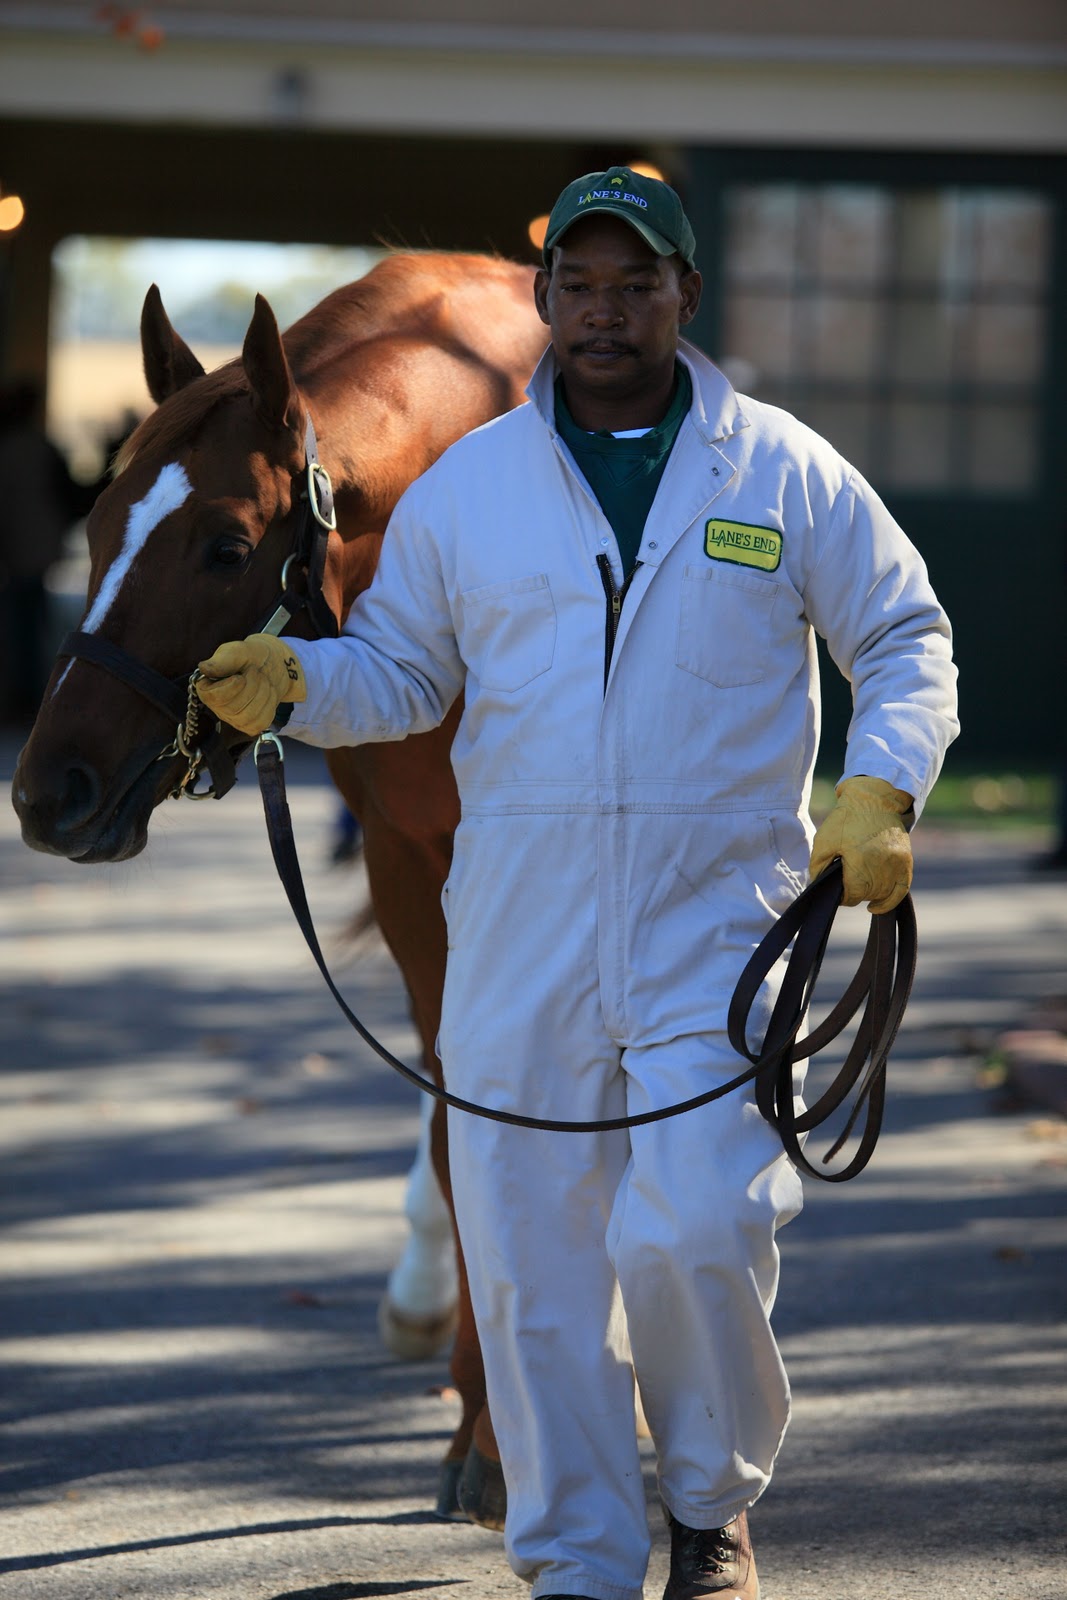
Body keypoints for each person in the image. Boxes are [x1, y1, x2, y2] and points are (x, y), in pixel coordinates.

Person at [195, 167, 959, 1600]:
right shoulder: (474, 489)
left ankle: (708, 1506)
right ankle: (580, 1567)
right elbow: (407, 670)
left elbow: (906, 635)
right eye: (580, 287)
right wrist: (299, 679)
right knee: (535, 1279)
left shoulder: (782, 471)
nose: (605, 312)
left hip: (717, 922)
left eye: (635, 284)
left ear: (685, 295)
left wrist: (882, 784)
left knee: (701, 1225)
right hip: (521, 930)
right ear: (545, 303)